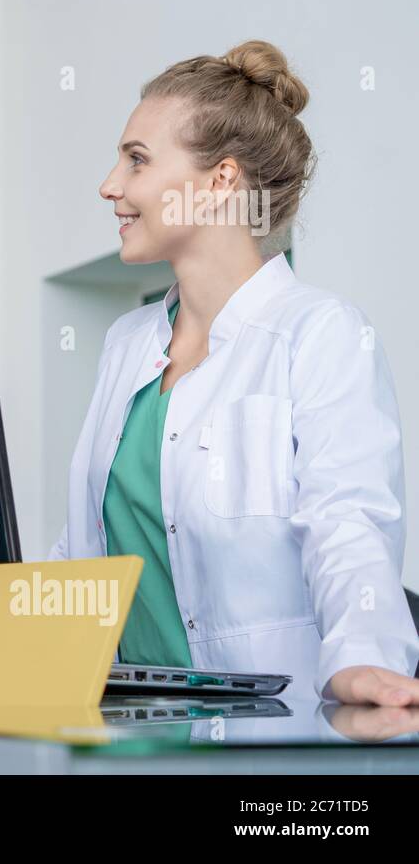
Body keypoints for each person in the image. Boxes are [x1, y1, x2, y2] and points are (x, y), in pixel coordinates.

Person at [50, 39, 419, 707]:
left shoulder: (319, 333)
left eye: (136, 161)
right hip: (129, 733)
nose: (110, 185)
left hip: (271, 736)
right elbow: (85, 545)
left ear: (220, 182)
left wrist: (363, 658)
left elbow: (347, 522)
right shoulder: (126, 344)